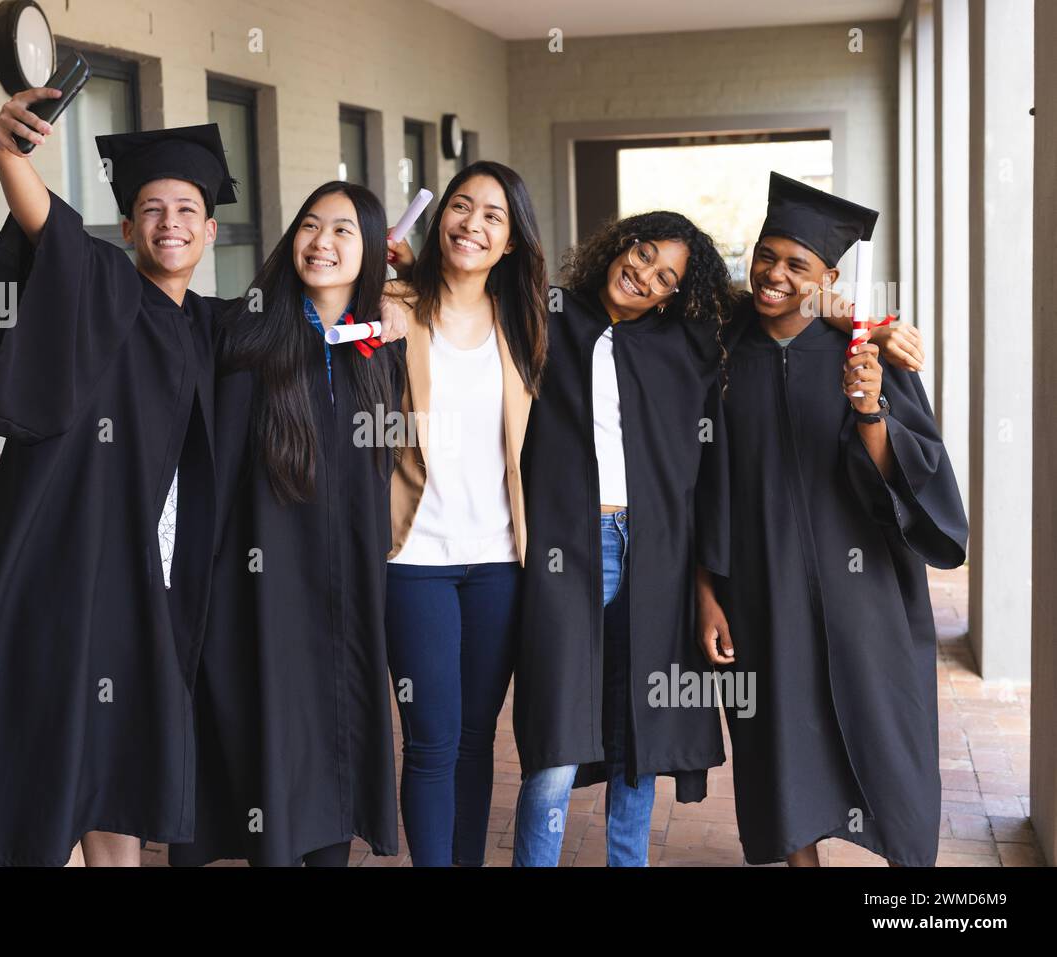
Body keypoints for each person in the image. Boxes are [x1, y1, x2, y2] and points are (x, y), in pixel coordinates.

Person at [0, 86, 232, 867]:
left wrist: (395, 300)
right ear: (127, 228)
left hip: (152, 584)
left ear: (211, 230)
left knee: (118, 758)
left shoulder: (206, 323)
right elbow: (48, 225)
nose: (171, 223)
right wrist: (5, 152)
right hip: (67, 570)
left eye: (187, 209)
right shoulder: (104, 285)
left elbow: (305, 326)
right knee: (52, 748)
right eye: (152, 210)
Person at [695, 172, 968, 867]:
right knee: (783, 741)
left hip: (867, 585)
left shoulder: (870, 349)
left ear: (829, 277)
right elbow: (699, 482)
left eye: (797, 264)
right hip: (762, 585)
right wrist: (706, 592)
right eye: (767, 255)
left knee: (891, 738)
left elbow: (911, 475)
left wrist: (872, 408)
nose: (774, 274)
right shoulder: (721, 356)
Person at [168, 182, 402, 867]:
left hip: (347, 593)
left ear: (371, 255)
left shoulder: (379, 351)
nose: (321, 242)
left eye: (343, 231)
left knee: (337, 746)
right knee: (271, 749)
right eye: (309, 225)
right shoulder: (245, 335)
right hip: (260, 590)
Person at [511, 211, 733, 867]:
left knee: (639, 730)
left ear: (674, 295)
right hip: (569, 548)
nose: (644, 274)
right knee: (556, 731)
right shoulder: (547, 317)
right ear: (618, 245)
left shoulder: (681, 349)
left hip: (657, 552)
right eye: (642, 253)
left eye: (665, 276)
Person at [382, 161, 548, 866]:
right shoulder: (392, 305)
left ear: (510, 242)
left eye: (491, 216)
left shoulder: (528, 322)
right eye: (460, 206)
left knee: (478, 736)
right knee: (431, 738)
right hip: (414, 558)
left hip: (498, 562)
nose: (471, 224)